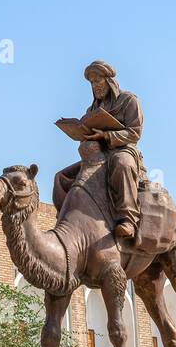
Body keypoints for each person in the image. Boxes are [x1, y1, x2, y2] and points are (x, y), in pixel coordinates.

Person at [53, 60, 143, 239]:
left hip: (123, 150)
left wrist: (106, 135)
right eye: (92, 83)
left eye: (98, 80)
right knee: (61, 177)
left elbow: (135, 133)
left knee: (122, 164)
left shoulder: (128, 100)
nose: (95, 86)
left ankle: (127, 219)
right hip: (97, 154)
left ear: (109, 80)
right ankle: (66, 221)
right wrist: (81, 132)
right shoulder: (92, 109)